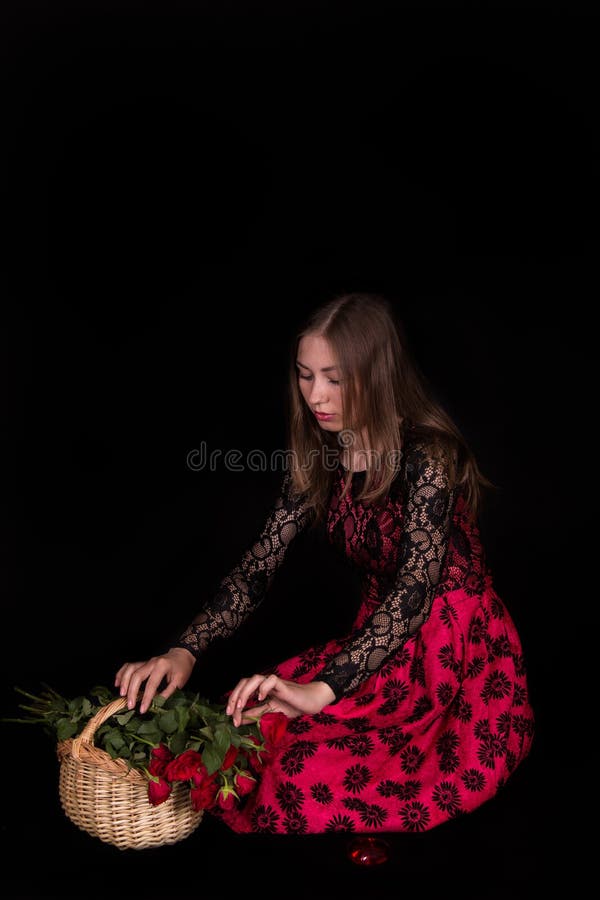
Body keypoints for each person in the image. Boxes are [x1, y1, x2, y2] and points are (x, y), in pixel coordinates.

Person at [115, 292, 535, 835]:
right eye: (305, 375)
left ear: (376, 374)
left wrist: (321, 691)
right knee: (241, 726)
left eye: (334, 378)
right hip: (373, 646)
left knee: (296, 772)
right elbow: (259, 567)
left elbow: (414, 592)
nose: (316, 395)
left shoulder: (428, 456)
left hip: (454, 660)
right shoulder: (322, 452)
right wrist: (184, 651)